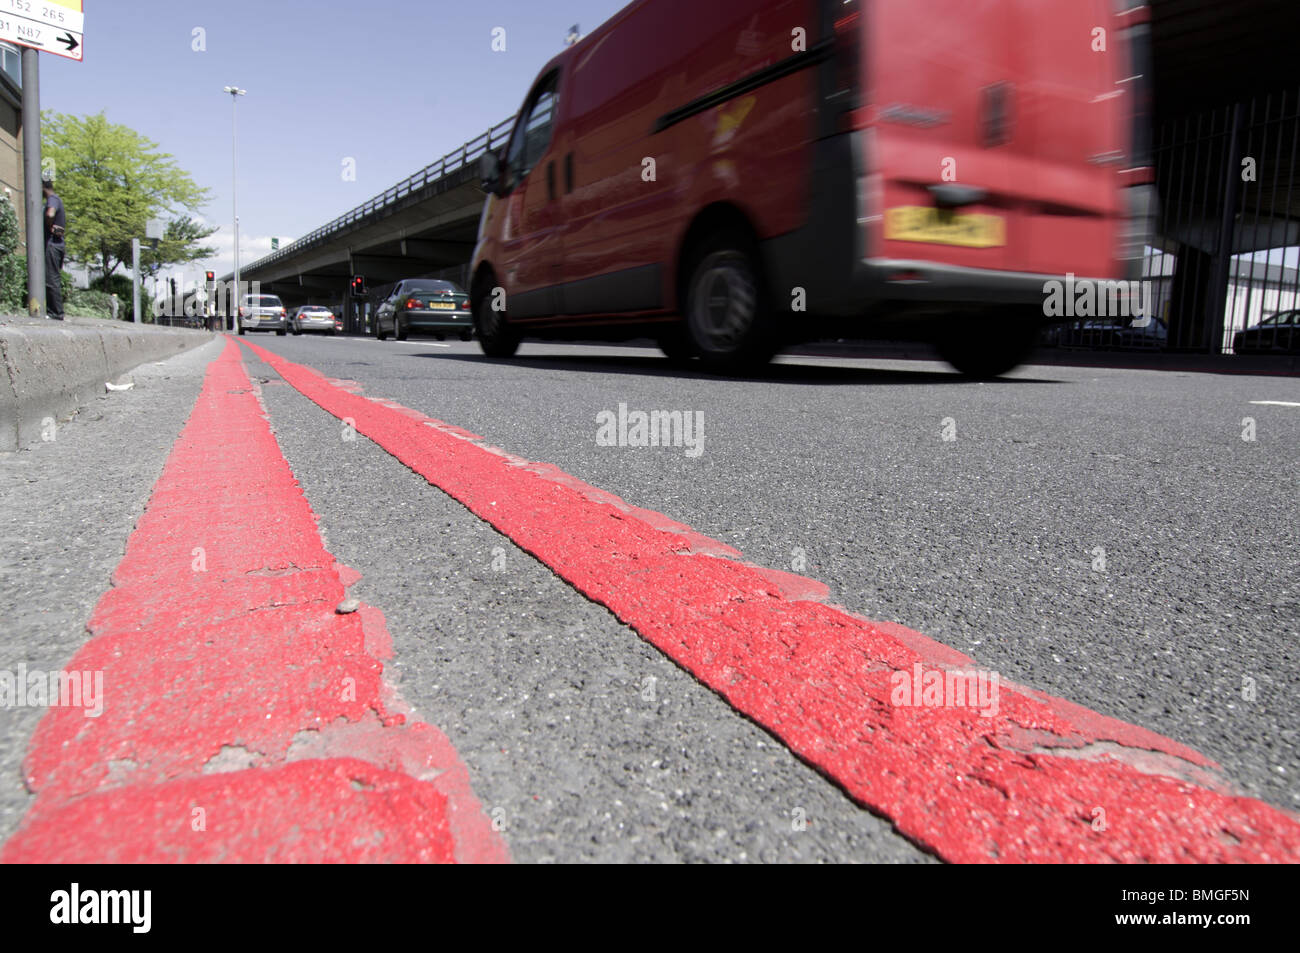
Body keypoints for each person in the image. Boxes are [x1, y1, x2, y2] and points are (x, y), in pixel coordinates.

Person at [42, 174, 66, 320]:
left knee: (51, 279)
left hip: (53, 245)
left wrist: (49, 224)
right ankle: (54, 312)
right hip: (56, 244)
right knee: (52, 278)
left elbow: (50, 212)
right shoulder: (55, 199)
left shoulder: (53, 199)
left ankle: (56, 313)